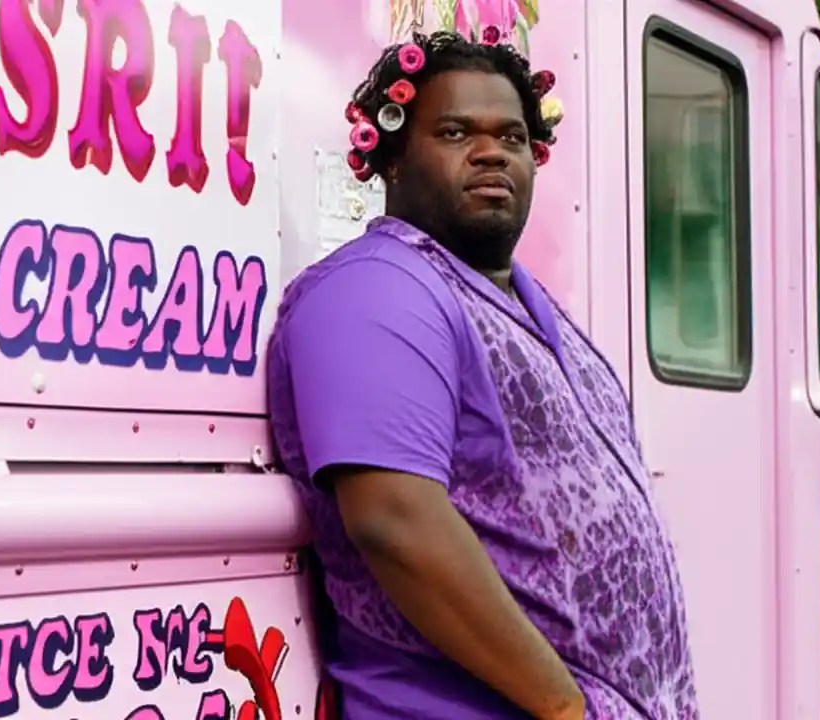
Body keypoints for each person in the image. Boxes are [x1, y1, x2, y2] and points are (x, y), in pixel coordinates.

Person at [266, 29, 698, 720]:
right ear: (394, 158)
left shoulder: (522, 304)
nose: (493, 150)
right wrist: (566, 708)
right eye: (456, 131)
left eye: (514, 137)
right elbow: (394, 521)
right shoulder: (375, 289)